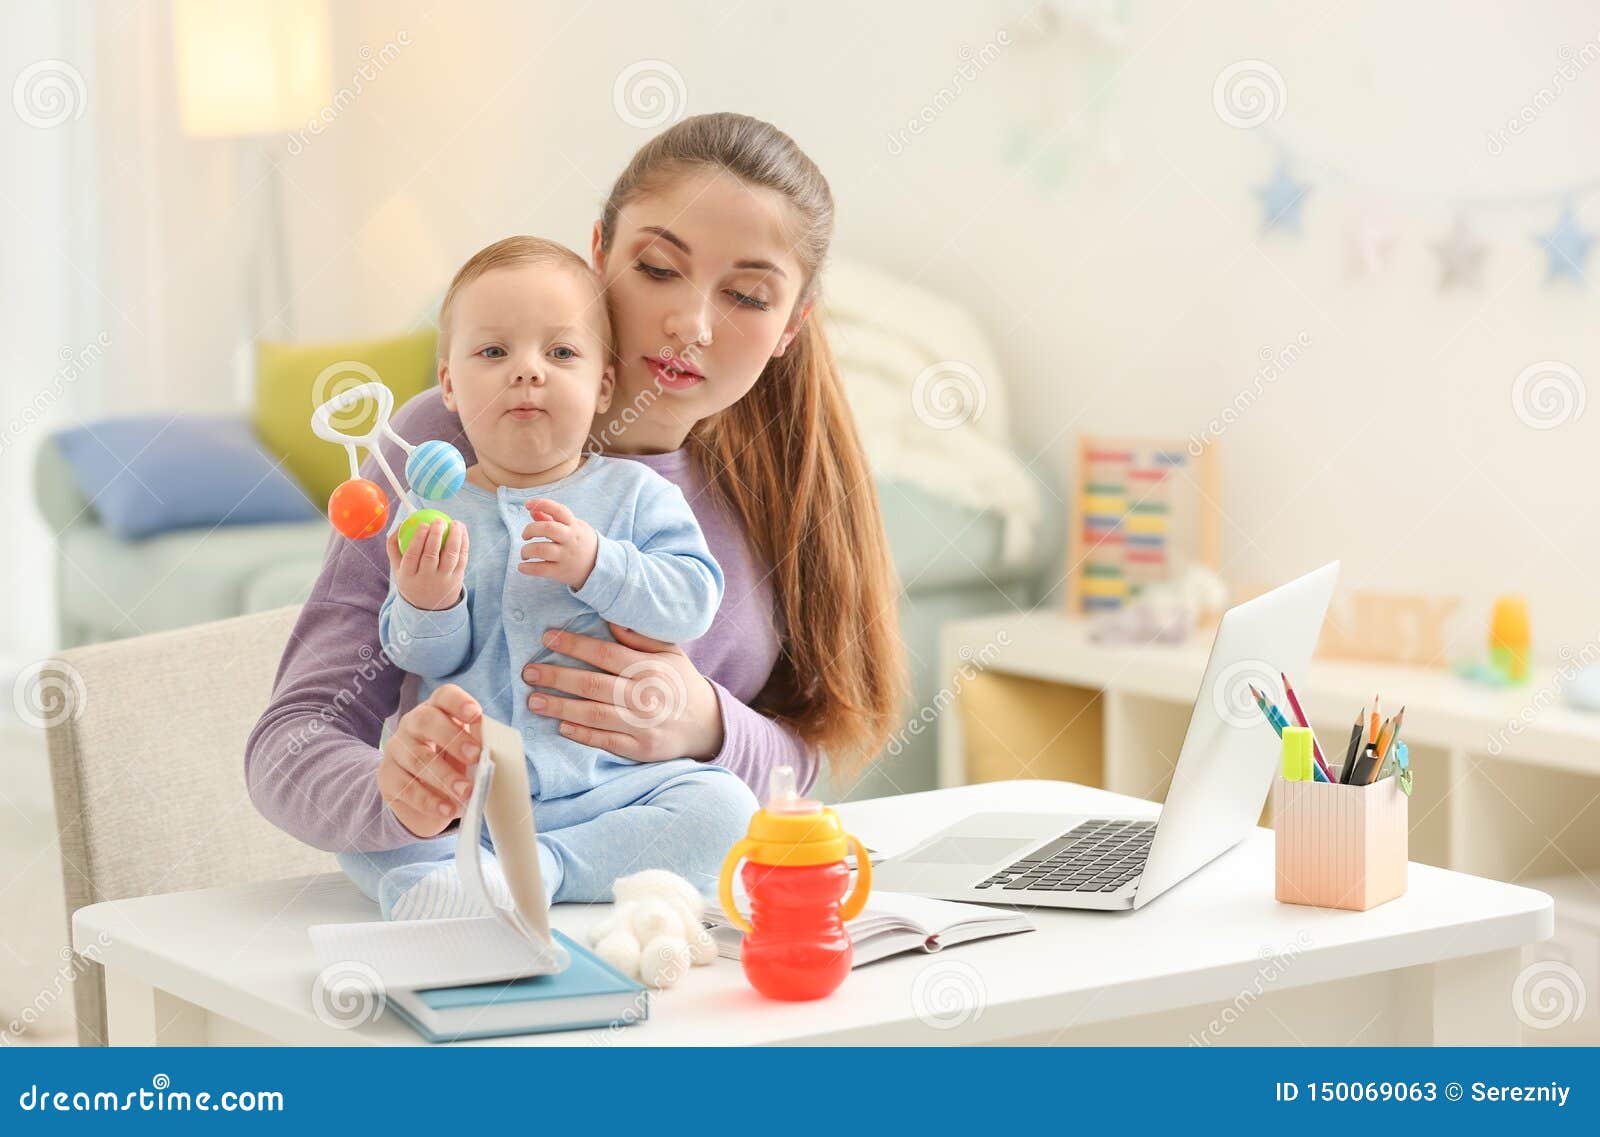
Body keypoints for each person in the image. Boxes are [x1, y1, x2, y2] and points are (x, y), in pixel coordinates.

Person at [246, 112, 907, 905]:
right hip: (469, 871)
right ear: (600, 254)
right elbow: (290, 744)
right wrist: (395, 788)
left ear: (791, 326)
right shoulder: (442, 446)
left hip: (655, 899)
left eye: (745, 295)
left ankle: (534, 876)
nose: (691, 325)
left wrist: (706, 723)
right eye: (659, 268)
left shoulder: (787, 472)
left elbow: (804, 771)